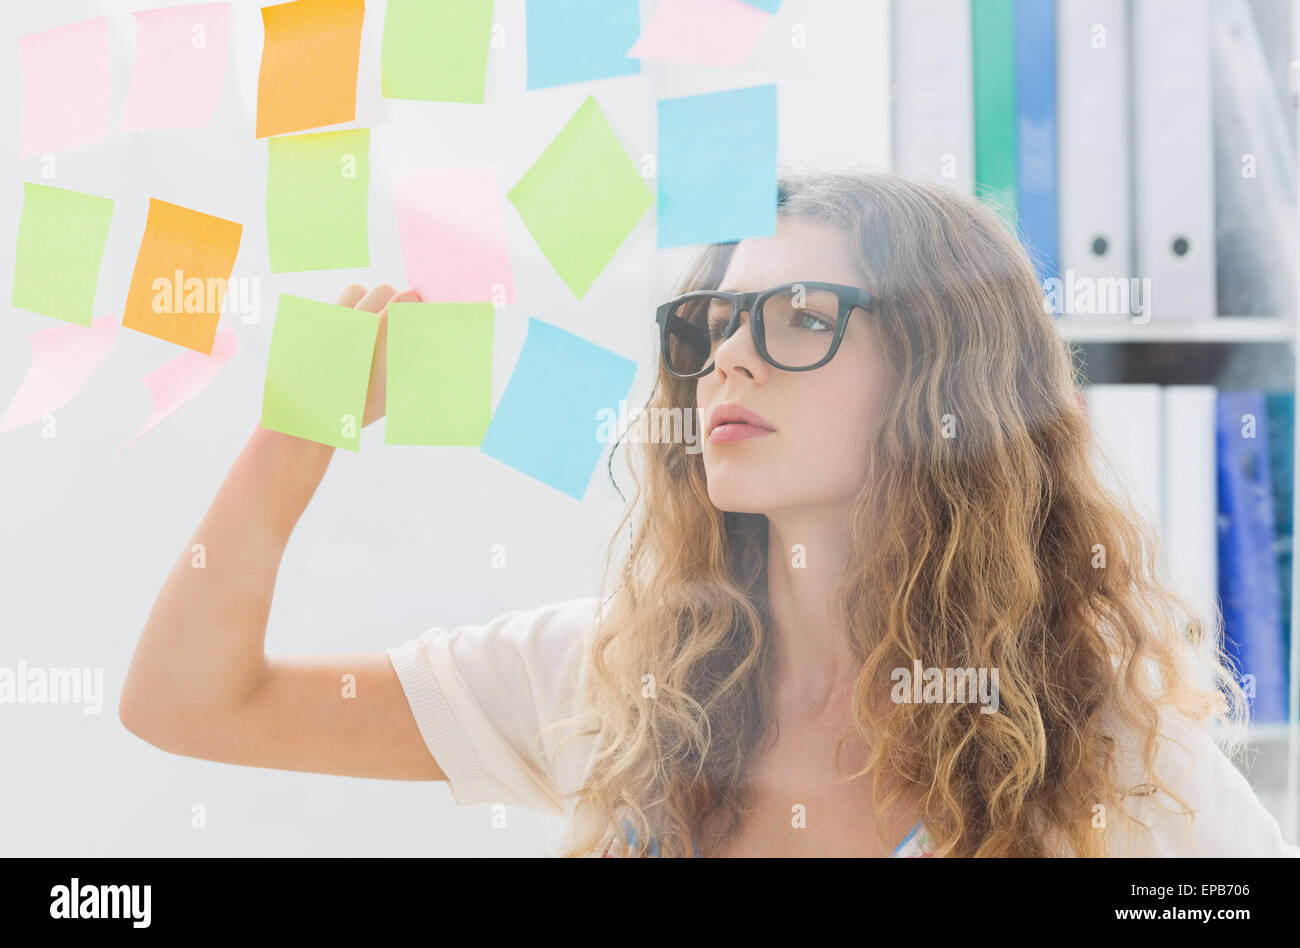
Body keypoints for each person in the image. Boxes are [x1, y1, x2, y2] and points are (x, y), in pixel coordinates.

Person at [120, 170, 1300, 857]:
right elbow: (189, 702)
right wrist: (295, 438)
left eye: (796, 316)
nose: (727, 359)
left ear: (945, 379)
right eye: (709, 327)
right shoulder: (608, 673)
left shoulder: (1107, 766)